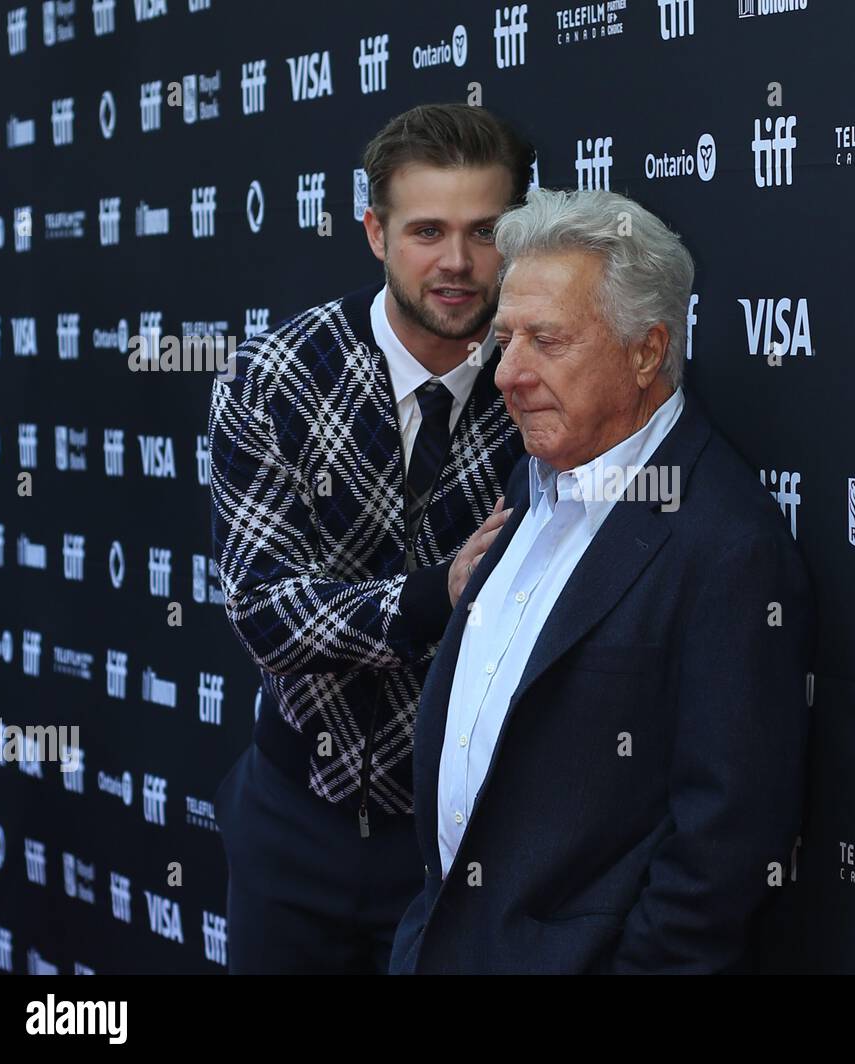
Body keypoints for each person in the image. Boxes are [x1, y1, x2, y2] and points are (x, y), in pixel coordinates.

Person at [390, 187, 815, 974]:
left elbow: (720, 853)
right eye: (505, 337)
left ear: (647, 351)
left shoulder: (724, 547)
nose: (506, 374)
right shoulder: (531, 481)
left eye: (546, 341)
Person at [208, 103, 532, 973]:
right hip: (293, 822)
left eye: (484, 231)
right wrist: (440, 595)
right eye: (426, 230)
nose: (457, 263)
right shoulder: (277, 376)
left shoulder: (540, 378)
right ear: (374, 233)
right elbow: (265, 615)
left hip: (466, 841)